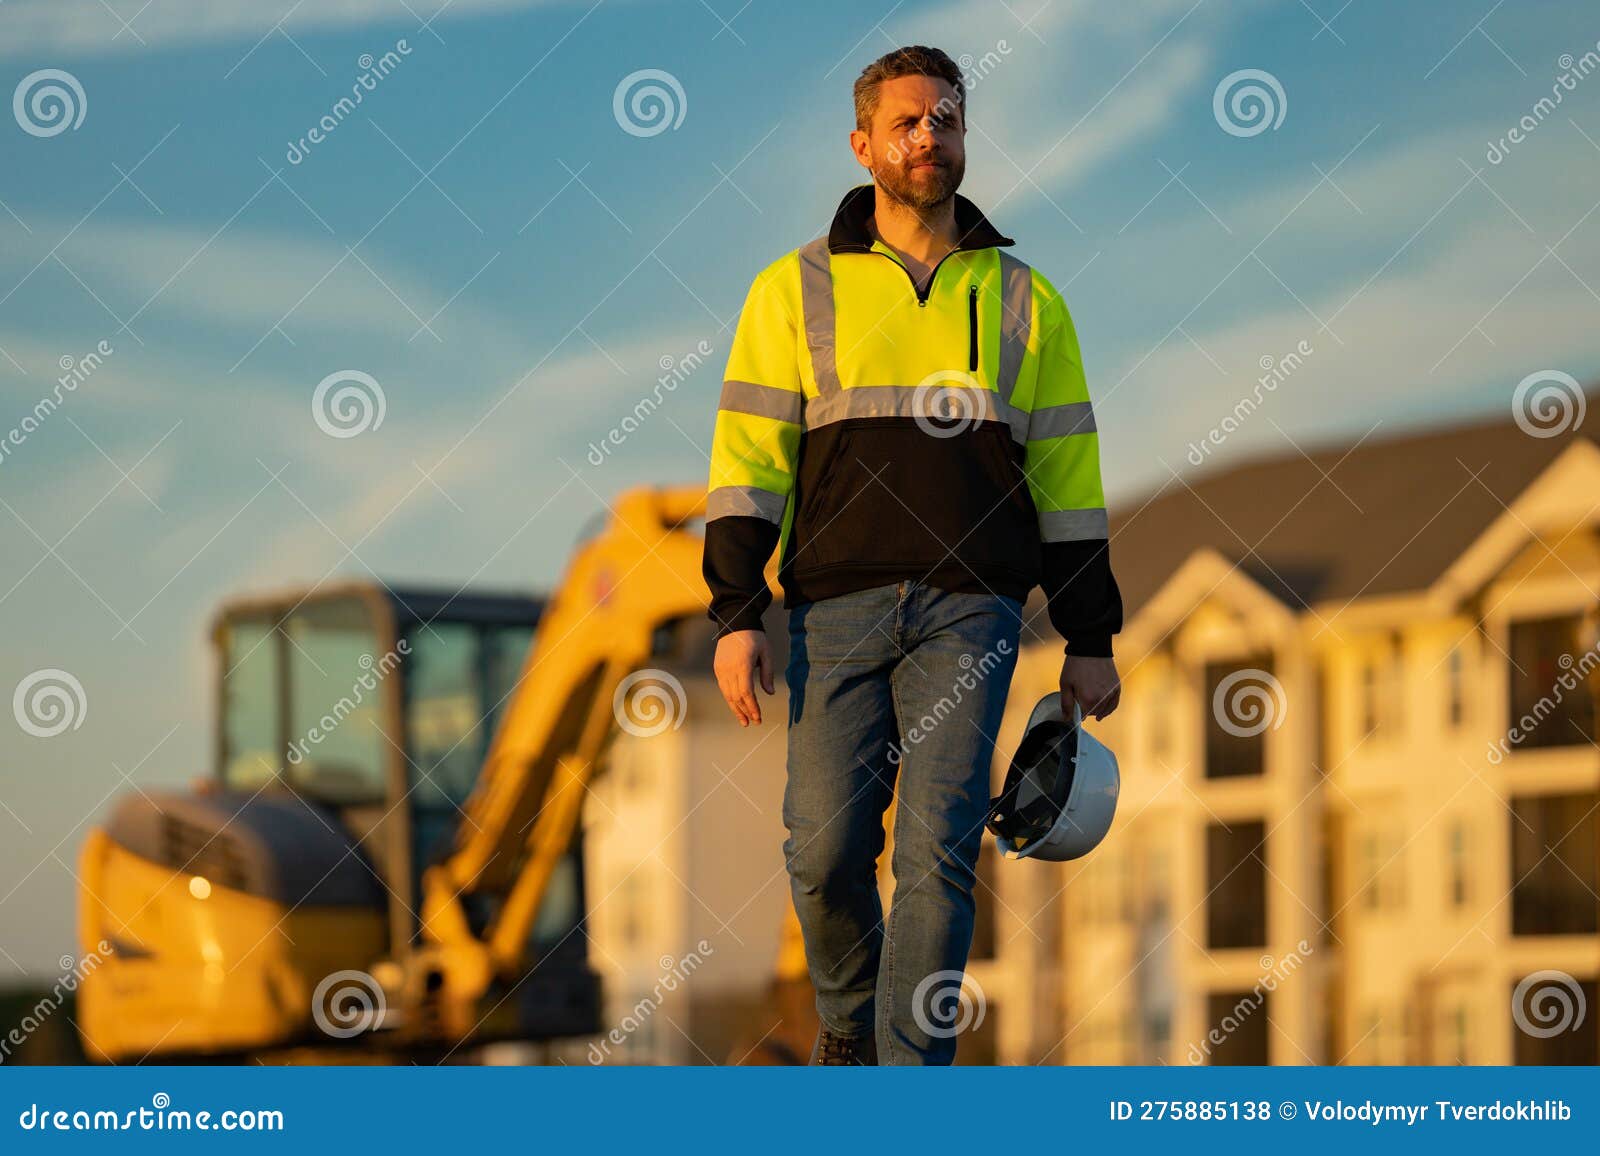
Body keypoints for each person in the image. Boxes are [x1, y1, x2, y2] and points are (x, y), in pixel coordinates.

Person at [702, 45, 1122, 1065]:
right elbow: (748, 460)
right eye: (906, 122)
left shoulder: (1026, 299)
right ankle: (851, 1034)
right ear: (863, 145)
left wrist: (1089, 636)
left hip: (970, 607)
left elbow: (1068, 480)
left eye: (946, 119)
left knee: (939, 847)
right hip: (831, 609)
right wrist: (735, 612)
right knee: (823, 850)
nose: (929, 136)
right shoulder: (792, 289)